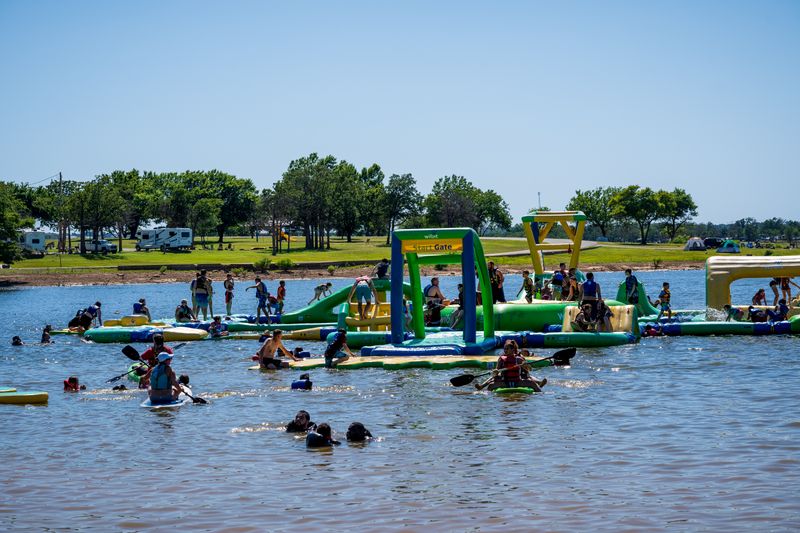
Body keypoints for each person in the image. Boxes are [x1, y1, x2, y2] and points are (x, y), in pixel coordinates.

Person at [476, 340, 546, 391]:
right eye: (504, 349)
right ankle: (482, 389)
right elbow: (496, 372)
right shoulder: (501, 359)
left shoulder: (519, 359)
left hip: (517, 382)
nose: (505, 351)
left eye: (507, 349)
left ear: (512, 350)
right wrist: (495, 371)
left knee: (532, 384)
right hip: (505, 382)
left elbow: (529, 369)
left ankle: (541, 394)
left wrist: (525, 365)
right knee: (491, 386)